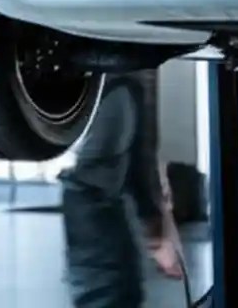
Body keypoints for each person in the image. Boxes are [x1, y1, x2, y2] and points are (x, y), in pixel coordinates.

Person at [60, 69, 185, 307]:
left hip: (91, 210)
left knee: (115, 294)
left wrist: (156, 232)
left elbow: (137, 163)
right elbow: (138, 162)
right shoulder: (120, 86)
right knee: (112, 296)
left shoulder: (114, 86)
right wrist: (157, 234)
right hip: (95, 210)